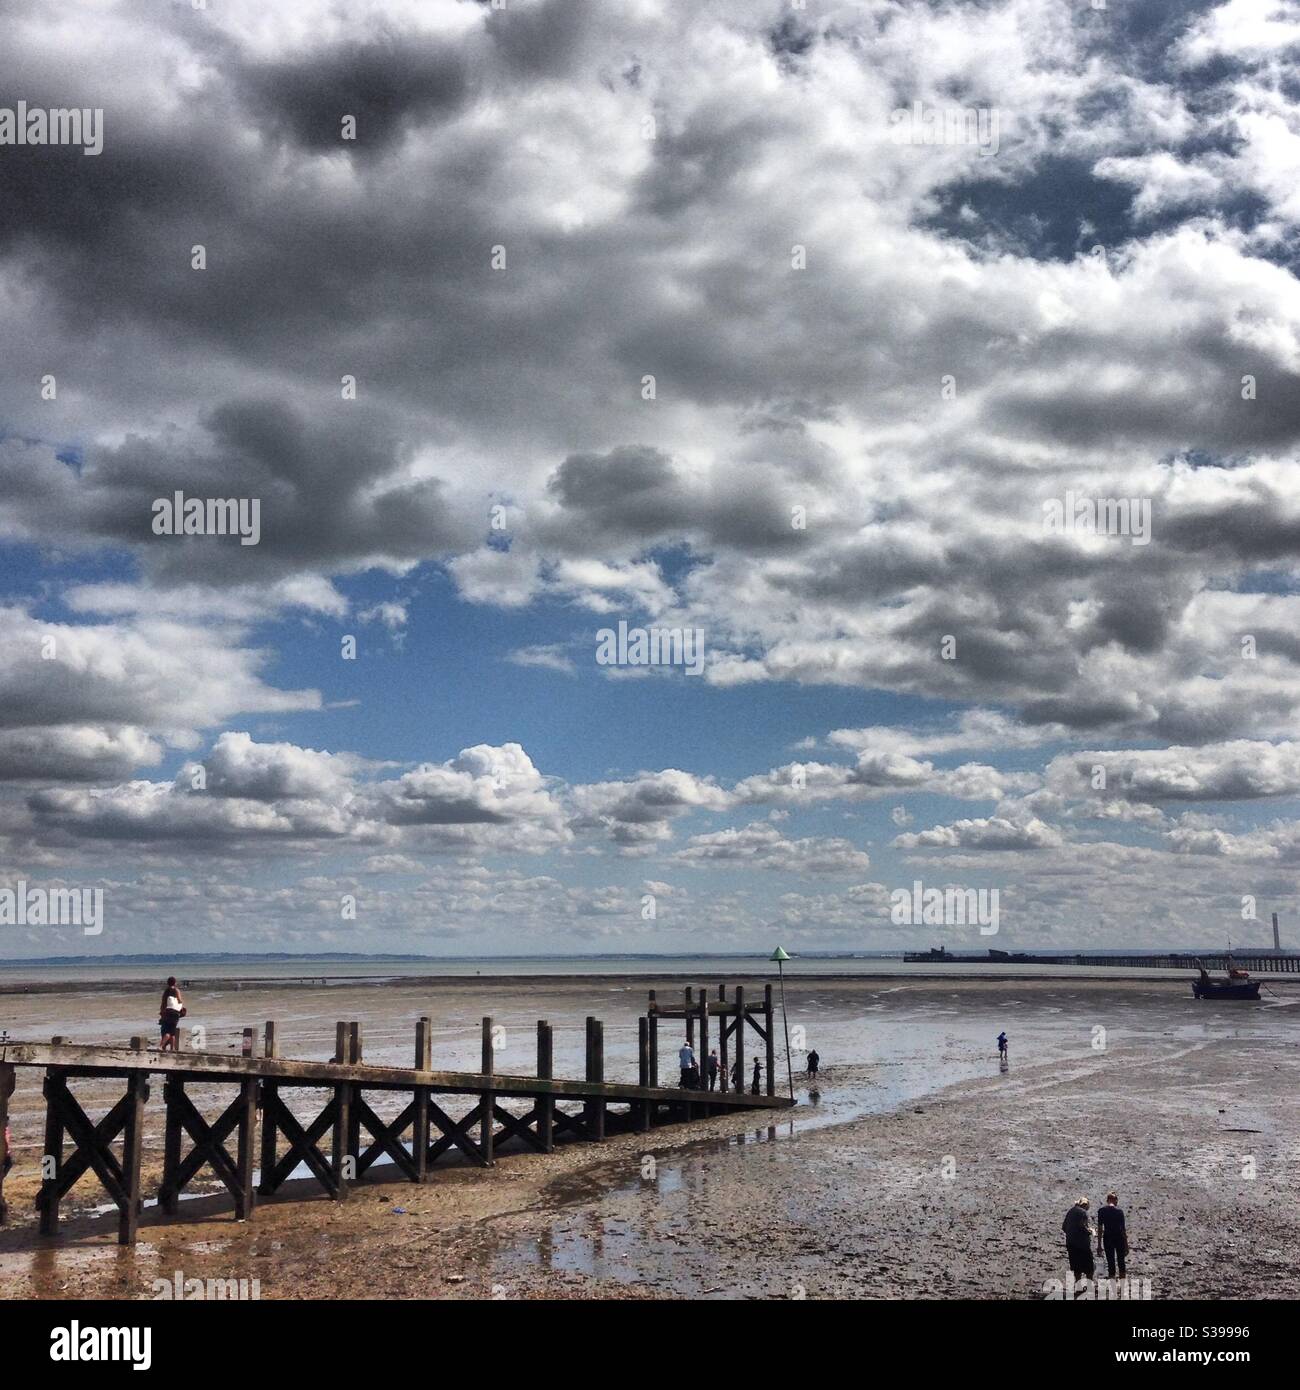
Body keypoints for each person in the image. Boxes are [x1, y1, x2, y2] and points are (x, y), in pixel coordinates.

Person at [1062, 1196, 1095, 1282]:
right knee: (1089, 1267)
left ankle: (1078, 1287)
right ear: (1086, 1206)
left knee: (1076, 1267)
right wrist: (1089, 1231)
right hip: (1082, 1244)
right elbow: (1082, 1225)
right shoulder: (1083, 1213)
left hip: (1070, 1243)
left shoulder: (1070, 1211)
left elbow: (1064, 1227)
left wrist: (1072, 1234)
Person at [1096, 1192, 1128, 1278]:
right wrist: (1126, 1244)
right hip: (1119, 1238)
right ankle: (1122, 1283)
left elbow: (1100, 1229)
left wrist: (1099, 1245)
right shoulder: (1119, 1212)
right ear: (1115, 1201)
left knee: (1110, 1262)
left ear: (1107, 1200)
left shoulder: (1101, 1211)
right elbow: (1123, 1230)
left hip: (1108, 1237)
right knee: (1121, 1261)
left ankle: (1112, 1284)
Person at [159, 976, 185, 1051]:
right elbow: (180, 1001)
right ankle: (161, 1046)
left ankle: (171, 1049)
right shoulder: (176, 990)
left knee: (169, 1031)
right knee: (170, 1032)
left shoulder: (166, 991)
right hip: (174, 1013)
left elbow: (163, 1003)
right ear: (175, 983)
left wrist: (162, 1013)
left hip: (166, 1012)